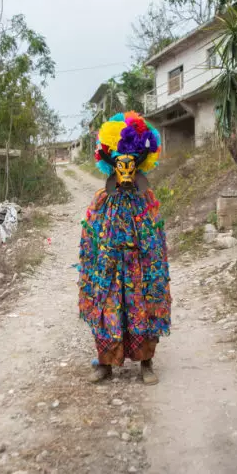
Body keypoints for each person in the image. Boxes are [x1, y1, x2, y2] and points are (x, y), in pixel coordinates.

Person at [77, 111, 171, 385]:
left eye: (131, 165)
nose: (125, 171)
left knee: (142, 307)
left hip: (140, 269)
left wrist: (147, 260)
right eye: (120, 165)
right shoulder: (101, 199)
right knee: (107, 310)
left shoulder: (147, 199)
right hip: (109, 269)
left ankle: (146, 363)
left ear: (140, 167)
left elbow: (156, 240)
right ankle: (105, 364)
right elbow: (90, 237)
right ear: (111, 166)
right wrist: (99, 261)